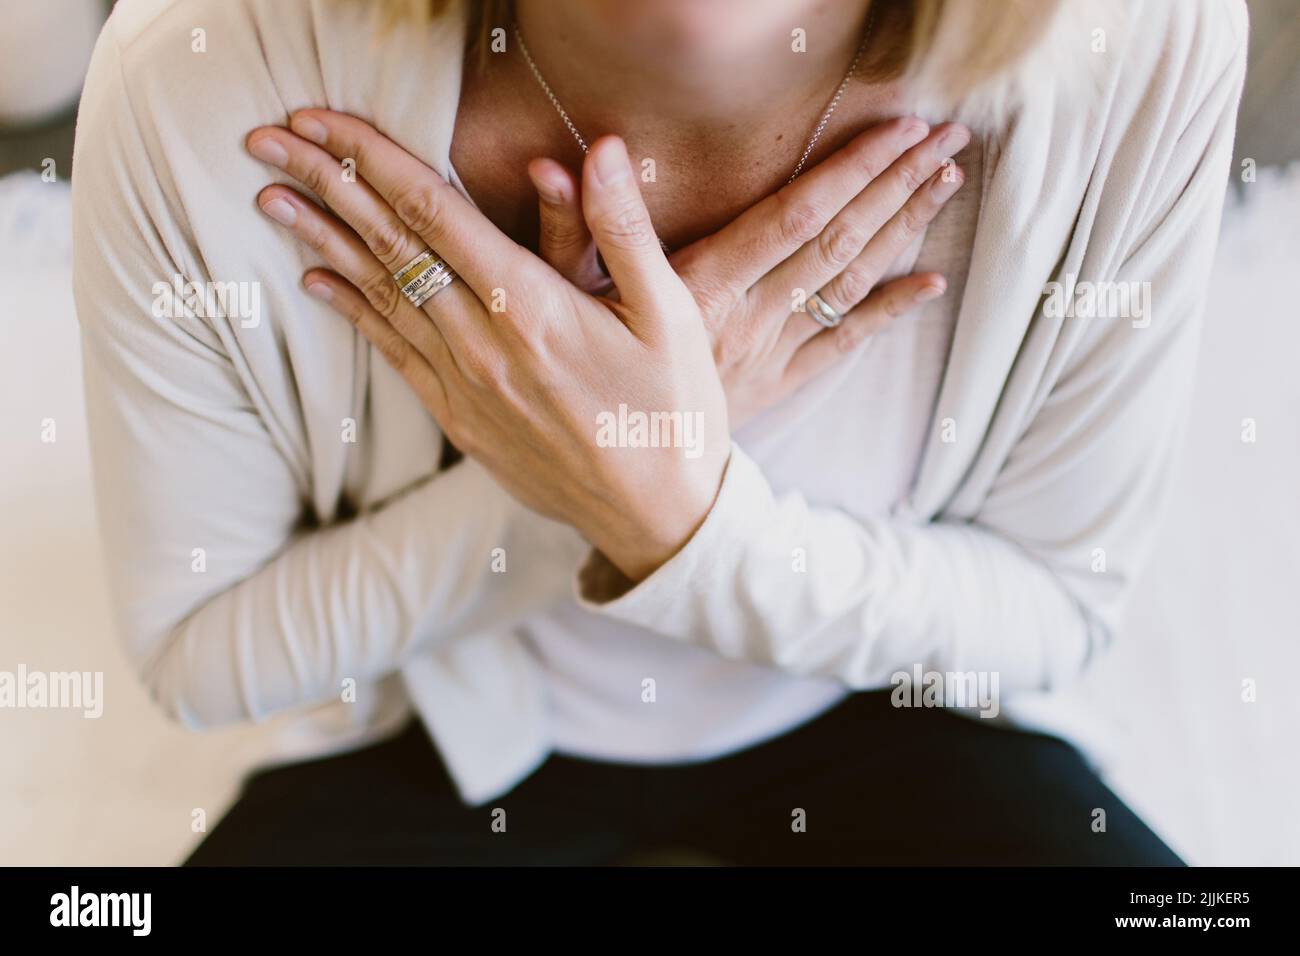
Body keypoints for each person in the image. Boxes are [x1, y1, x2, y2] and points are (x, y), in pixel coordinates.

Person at [71, 0, 1246, 865]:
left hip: (900, 707)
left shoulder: (1137, 43)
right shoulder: (200, 73)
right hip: (431, 737)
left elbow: (1054, 608)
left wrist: (670, 503)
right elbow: (202, 650)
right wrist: (581, 466)